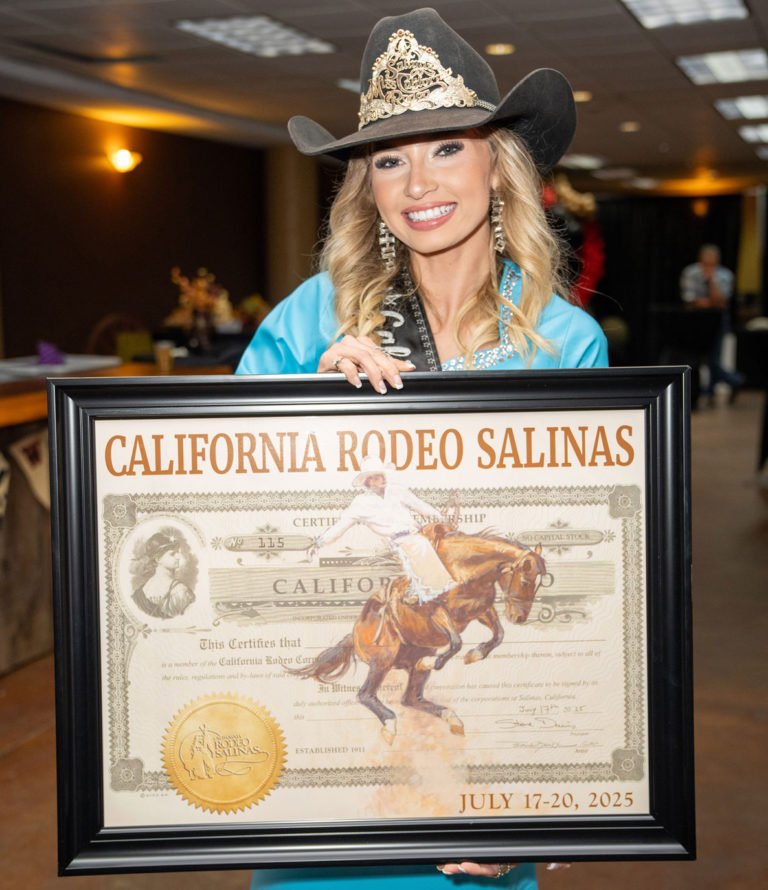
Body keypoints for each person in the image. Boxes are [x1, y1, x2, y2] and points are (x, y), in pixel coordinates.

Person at [237, 7, 607, 887]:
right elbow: (241, 531)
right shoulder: (306, 318)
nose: (417, 181)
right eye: (388, 159)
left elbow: (576, 607)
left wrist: (544, 811)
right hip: (326, 803)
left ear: (499, 165)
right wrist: (309, 414)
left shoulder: (564, 340)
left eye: (447, 147)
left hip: (486, 791)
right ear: (365, 185)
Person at [309, 455, 453, 605]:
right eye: (377, 476)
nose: (382, 478)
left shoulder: (397, 491)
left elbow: (420, 506)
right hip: (399, 542)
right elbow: (340, 527)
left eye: (382, 475)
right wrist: (318, 544)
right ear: (368, 481)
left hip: (418, 532)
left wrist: (440, 518)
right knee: (420, 545)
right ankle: (433, 592)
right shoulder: (360, 503)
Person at [680, 244, 744, 401]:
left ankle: (728, 383)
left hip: (719, 319)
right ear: (700, 259)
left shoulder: (725, 275)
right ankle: (732, 382)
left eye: (712, 262)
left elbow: (723, 302)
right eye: (706, 262)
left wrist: (712, 281)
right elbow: (690, 300)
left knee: (714, 356)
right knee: (697, 357)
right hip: (696, 320)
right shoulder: (690, 272)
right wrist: (711, 302)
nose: (708, 265)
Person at [131, 531, 195, 619]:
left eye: (177, 552)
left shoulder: (144, 587)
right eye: (172, 554)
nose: (178, 557)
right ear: (157, 559)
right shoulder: (180, 590)